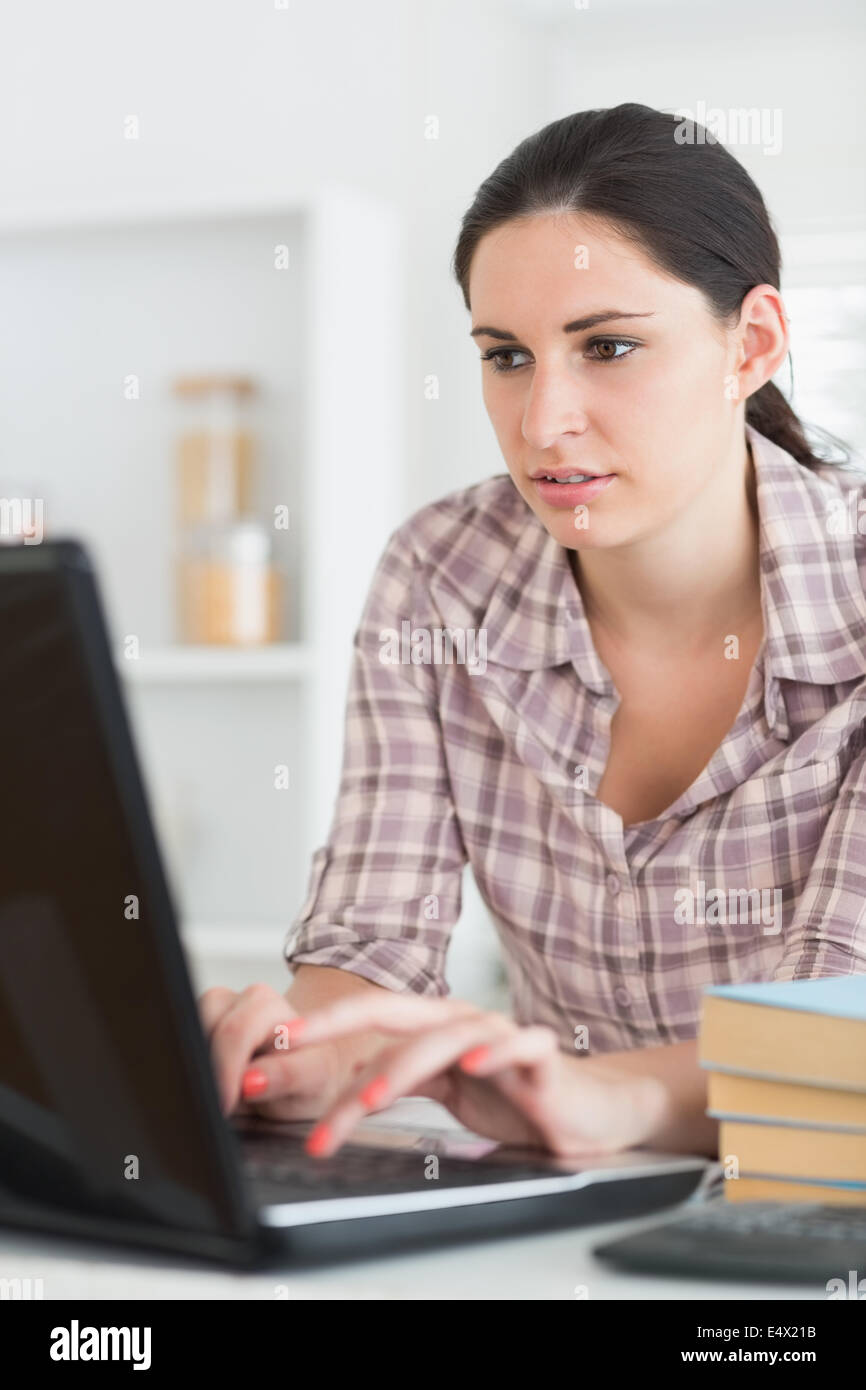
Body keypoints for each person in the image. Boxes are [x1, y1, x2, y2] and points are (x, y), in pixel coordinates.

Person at [199, 103, 866, 1162]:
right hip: (573, 1211)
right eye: (505, 356)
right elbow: (370, 937)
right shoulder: (439, 575)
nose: (542, 419)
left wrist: (605, 1098)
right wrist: (306, 1048)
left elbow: (841, 1033)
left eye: (606, 346)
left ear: (750, 344)